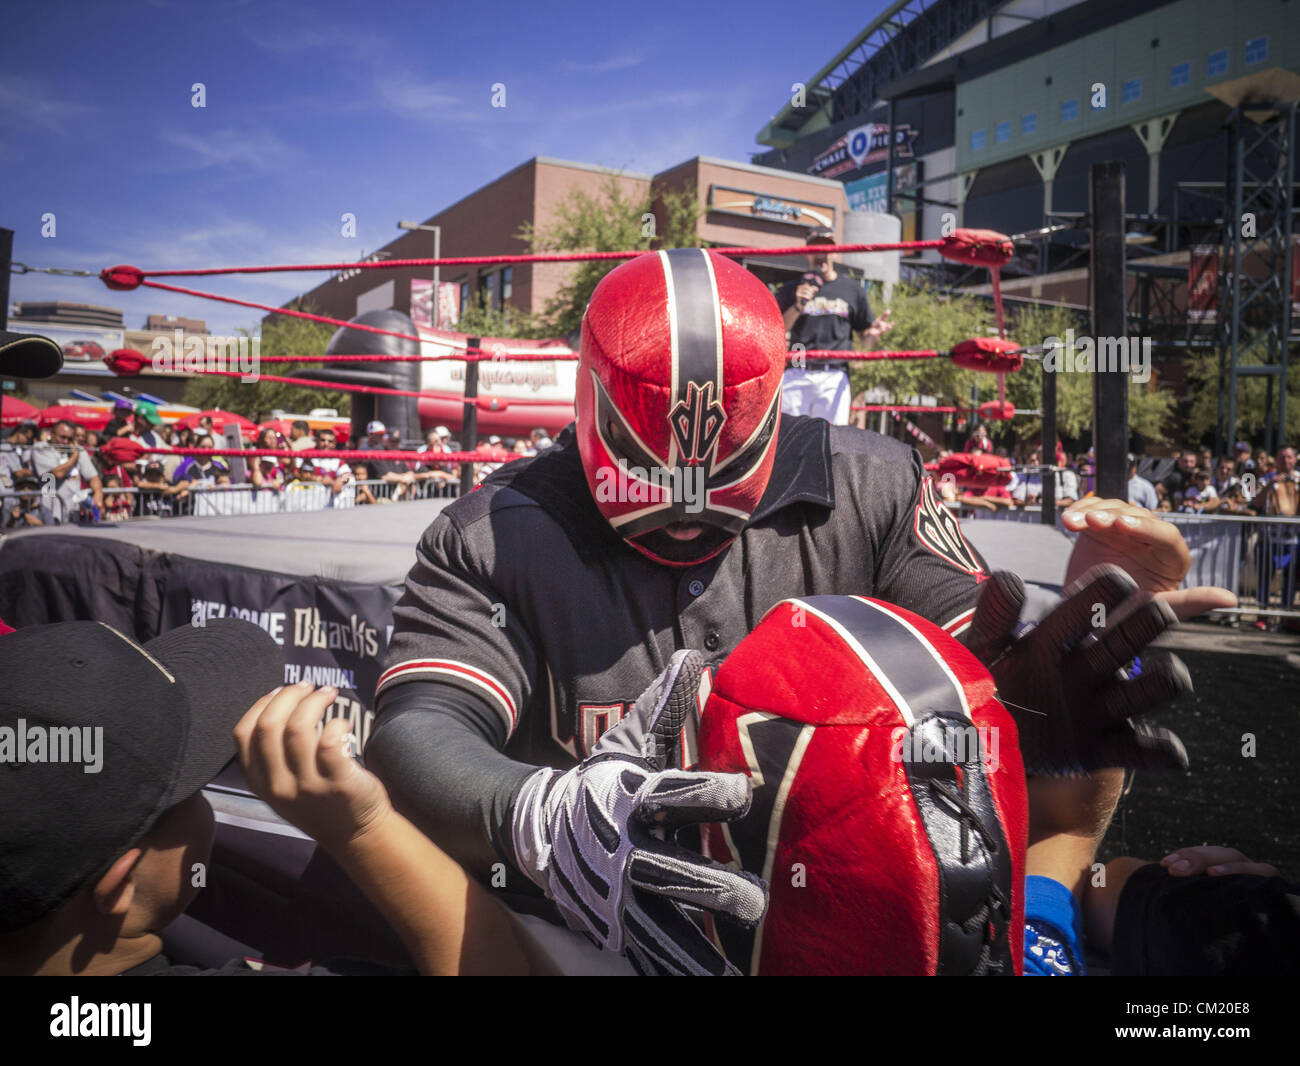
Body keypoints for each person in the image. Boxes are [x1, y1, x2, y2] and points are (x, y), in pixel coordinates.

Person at [365, 248, 1232, 974]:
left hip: (857, 930)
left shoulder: (876, 483)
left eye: (714, 492)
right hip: (595, 940)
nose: (686, 514)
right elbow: (416, 732)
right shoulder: (491, 533)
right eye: (653, 491)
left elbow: (974, 640)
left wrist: (1018, 696)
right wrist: (536, 814)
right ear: (587, 408)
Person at [775, 228, 893, 425]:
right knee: (789, 441)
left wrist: (874, 334)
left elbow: (865, 338)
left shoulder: (852, 289)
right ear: (807, 252)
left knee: (830, 442)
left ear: (836, 252)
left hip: (834, 374)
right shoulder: (791, 288)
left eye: (826, 247)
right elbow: (779, 329)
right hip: (796, 371)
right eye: (816, 247)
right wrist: (798, 304)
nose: (821, 253)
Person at [32, 419, 103, 523]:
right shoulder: (41, 448)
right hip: (50, 509)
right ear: (52, 433)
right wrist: (74, 457)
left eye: (69, 438)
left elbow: (93, 477)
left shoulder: (78, 449)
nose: (65, 441)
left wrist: (97, 493)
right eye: (62, 437)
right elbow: (58, 473)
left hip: (72, 510)